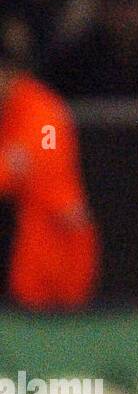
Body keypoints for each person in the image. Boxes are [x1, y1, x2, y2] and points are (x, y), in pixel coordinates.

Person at [0, 22, 100, 309]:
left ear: (10, 73)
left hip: (61, 237)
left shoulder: (42, 111)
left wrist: (14, 164)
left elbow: (36, 158)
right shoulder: (9, 109)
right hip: (32, 233)